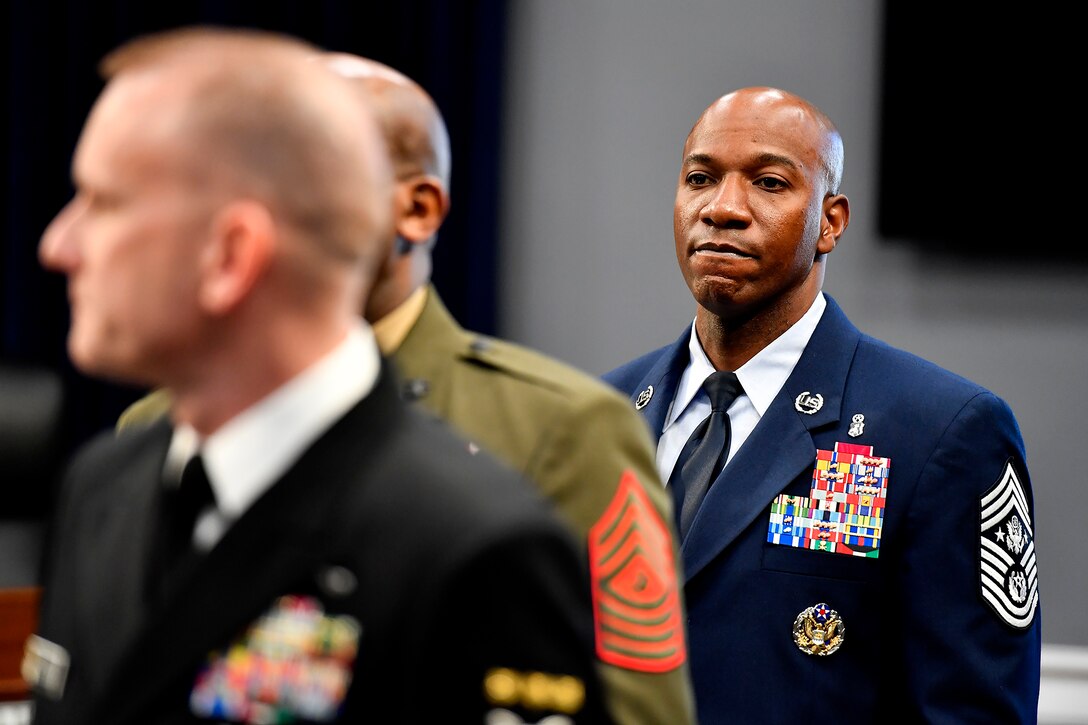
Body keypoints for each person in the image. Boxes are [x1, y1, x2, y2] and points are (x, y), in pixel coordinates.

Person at [26, 27, 613, 724]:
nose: (58, 245)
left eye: (105, 203)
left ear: (231, 254)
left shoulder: (473, 544)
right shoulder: (103, 483)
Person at [602, 86, 1041, 723]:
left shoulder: (943, 433)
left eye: (770, 183)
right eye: (700, 178)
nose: (723, 209)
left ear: (829, 223)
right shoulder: (601, 415)